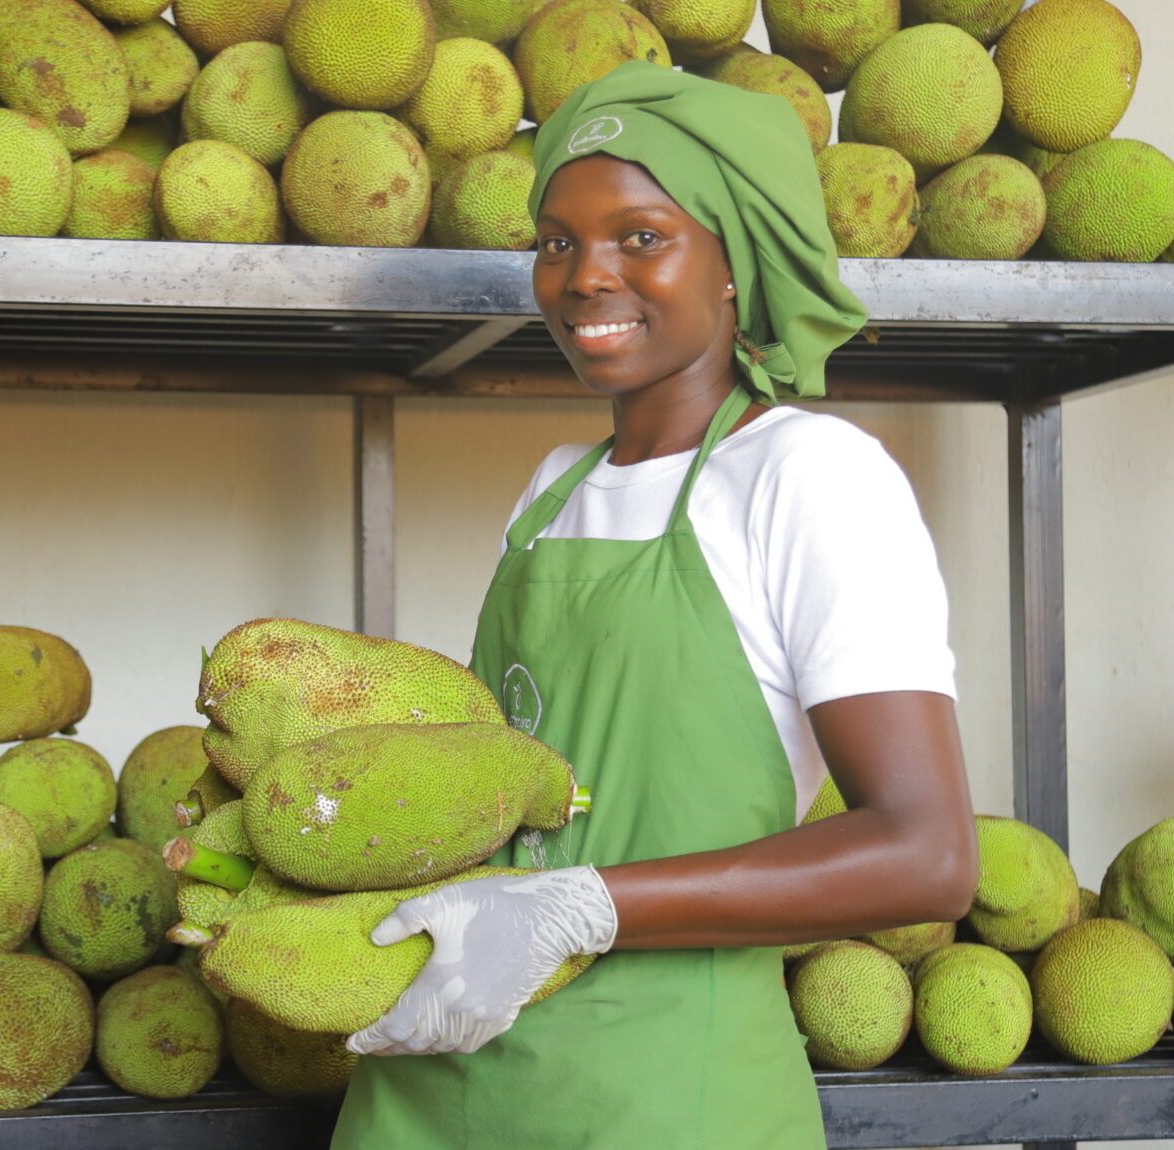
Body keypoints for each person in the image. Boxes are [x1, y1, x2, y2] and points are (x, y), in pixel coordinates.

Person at [331, 60, 979, 1149]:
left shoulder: (809, 475)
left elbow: (926, 854)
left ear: (734, 264)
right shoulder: (553, 488)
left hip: (660, 1097)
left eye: (640, 236)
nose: (585, 276)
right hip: (438, 1087)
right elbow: (497, 795)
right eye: (555, 241)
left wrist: (580, 907)